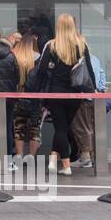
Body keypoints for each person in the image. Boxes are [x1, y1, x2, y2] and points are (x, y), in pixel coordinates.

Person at [31, 13, 94, 176]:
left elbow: (41, 71)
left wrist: (37, 93)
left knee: (60, 128)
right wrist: (93, 91)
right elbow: (89, 71)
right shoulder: (82, 45)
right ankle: (53, 159)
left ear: (58, 27)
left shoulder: (51, 46)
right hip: (75, 94)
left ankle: (66, 166)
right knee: (63, 127)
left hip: (56, 93)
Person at [10, 33, 42, 158]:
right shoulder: (38, 58)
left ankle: (19, 154)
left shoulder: (14, 56)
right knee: (35, 128)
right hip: (34, 98)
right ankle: (32, 157)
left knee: (18, 127)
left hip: (17, 97)